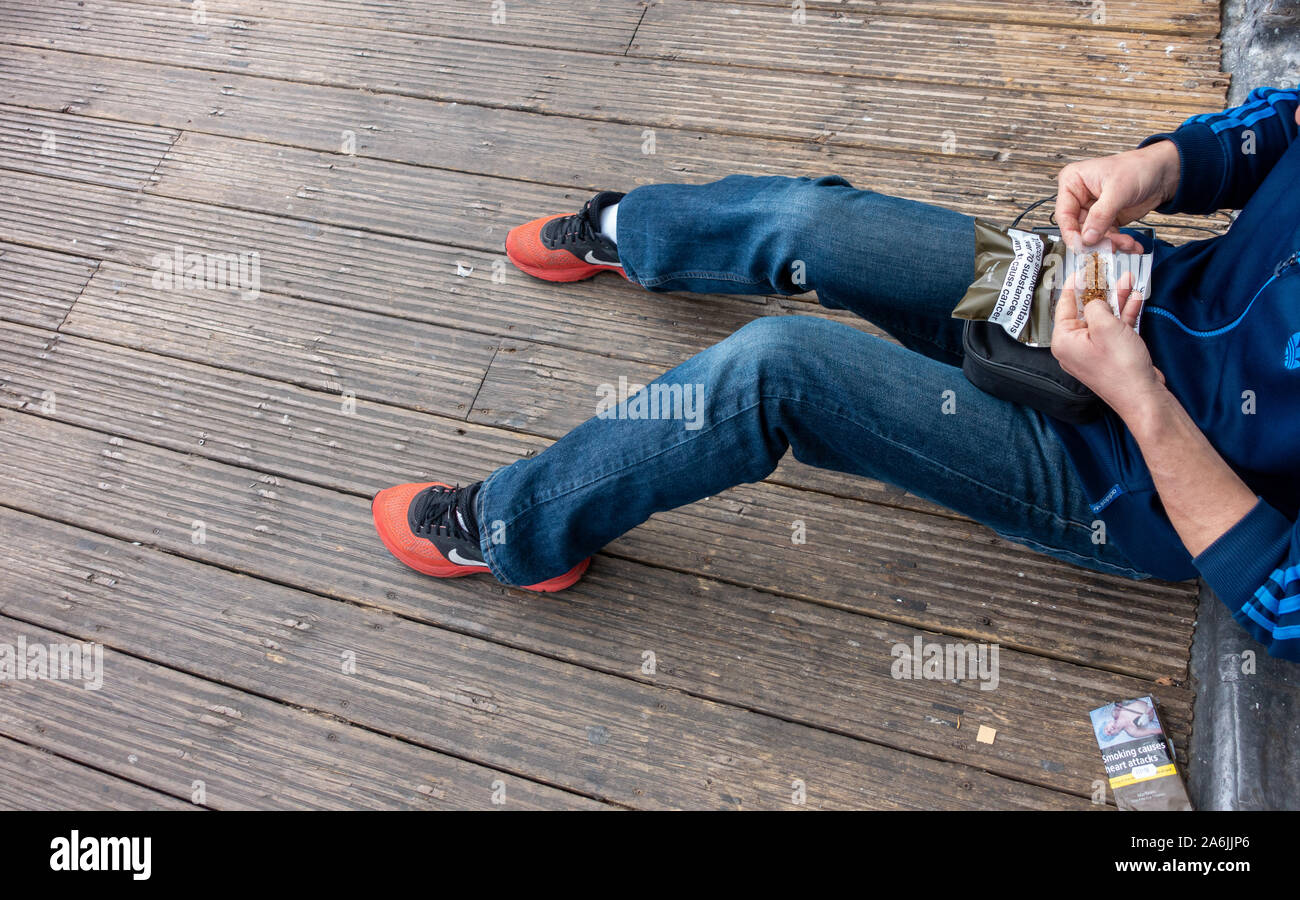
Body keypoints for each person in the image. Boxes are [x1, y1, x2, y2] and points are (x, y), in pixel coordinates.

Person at [371, 87, 1300, 660]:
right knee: (817, 230)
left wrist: (1139, 397)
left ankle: (511, 531)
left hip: (1137, 471)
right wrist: (1162, 165)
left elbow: (1284, 604)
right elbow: (1280, 122)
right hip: (1109, 288)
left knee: (778, 369)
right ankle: (644, 237)